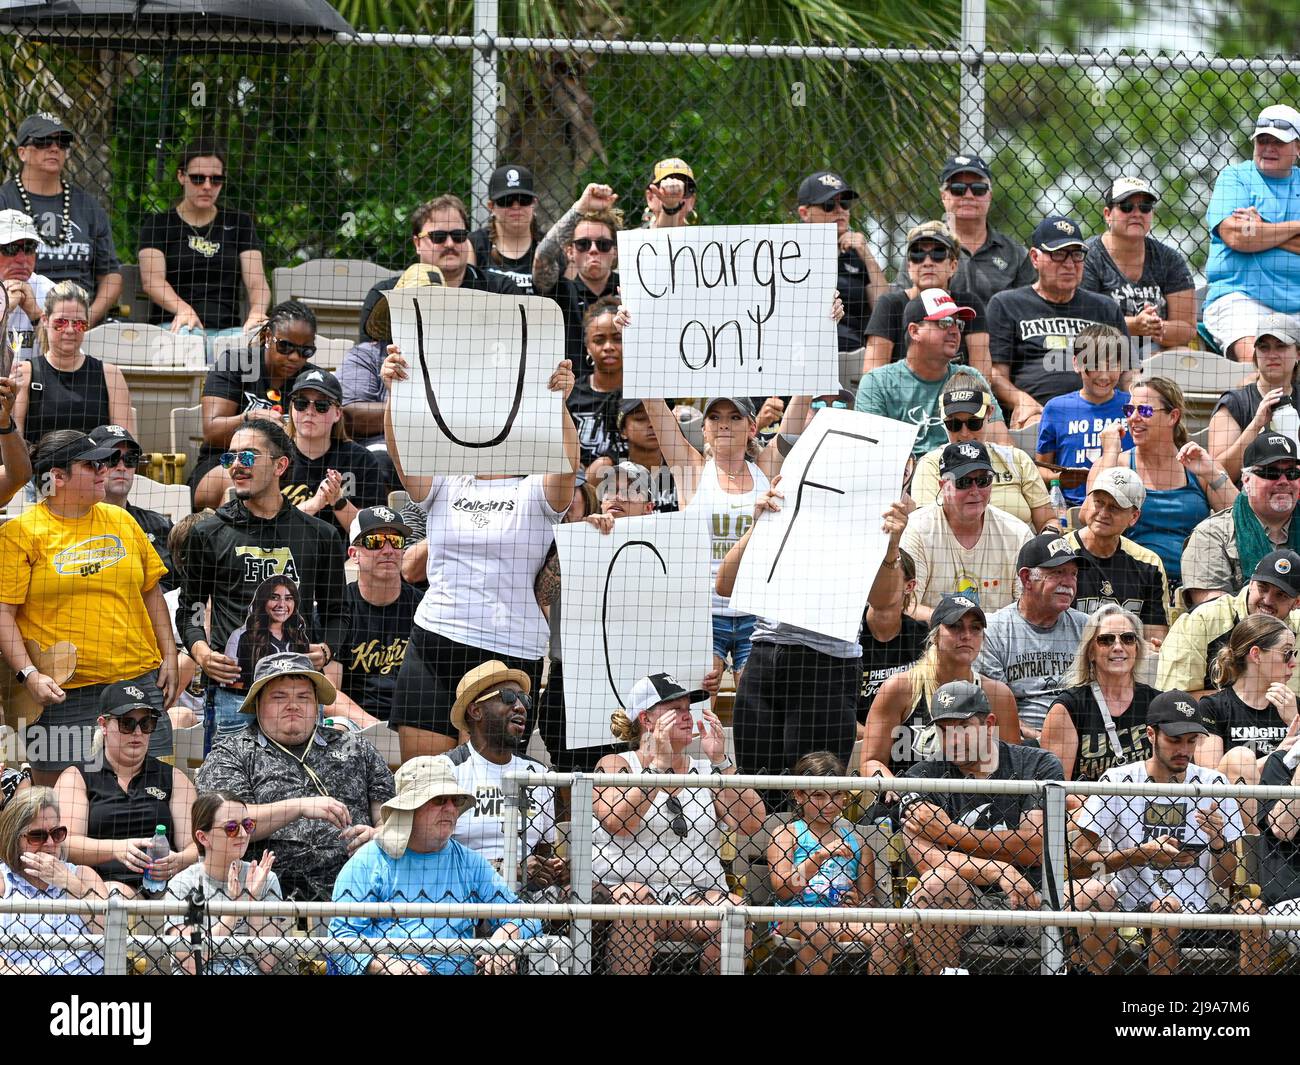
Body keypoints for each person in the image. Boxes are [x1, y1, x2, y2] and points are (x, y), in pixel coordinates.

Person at [380, 346, 578, 761]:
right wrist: (395, 391)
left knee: (490, 794)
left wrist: (559, 404)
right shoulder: (445, 481)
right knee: (426, 784)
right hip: (435, 640)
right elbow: (401, 457)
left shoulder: (536, 491)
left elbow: (566, 462)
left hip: (509, 652)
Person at [0, 431, 177, 780]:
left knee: (153, 798)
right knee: (58, 811)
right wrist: (29, 675)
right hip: (61, 694)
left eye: (106, 462)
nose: (104, 471)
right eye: (92, 464)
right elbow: (3, 615)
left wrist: (169, 654)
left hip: (136, 683)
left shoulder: (123, 521)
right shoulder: (20, 533)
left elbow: (151, 592)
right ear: (56, 478)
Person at [714, 477, 901, 777]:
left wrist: (892, 546)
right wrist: (757, 526)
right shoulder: (782, 515)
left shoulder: (866, 518)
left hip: (828, 665)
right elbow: (724, 585)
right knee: (758, 790)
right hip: (764, 662)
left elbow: (883, 600)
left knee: (816, 795)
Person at [1070, 691, 1264, 976]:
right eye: (1174, 740)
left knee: (1255, 909)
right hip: (1134, 909)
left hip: (1199, 911)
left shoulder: (1214, 784)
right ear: (1151, 734)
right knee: (1165, 906)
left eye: (1191, 740)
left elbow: (1224, 880)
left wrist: (1219, 842)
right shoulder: (1119, 780)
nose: (1184, 749)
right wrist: (1140, 855)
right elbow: (1077, 862)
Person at [176, 418, 347, 739]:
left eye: (249, 456)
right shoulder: (207, 533)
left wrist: (327, 649)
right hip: (232, 699)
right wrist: (200, 652)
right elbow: (190, 610)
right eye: (230, 458)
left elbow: (338, 612)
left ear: (280, 465)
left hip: (298, 695)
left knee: (298, 786)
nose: (237, 465)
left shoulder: (319, 535)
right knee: (229, 790)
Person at [593, 673, 764, 975]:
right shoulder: (616, 764)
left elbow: (751, 823)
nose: (688, 717)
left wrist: (722, 760)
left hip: (693, 897)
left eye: (689, 709)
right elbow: (616, 821)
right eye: (676, 710)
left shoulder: (707, 772)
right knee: (637, 900)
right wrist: (658, 767)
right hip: (624, 894)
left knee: (734, 911)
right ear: (646, 720)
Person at [196, 652, 394, 901]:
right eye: (279, 697)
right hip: (265, 893)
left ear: (317, 705)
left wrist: (378, 835)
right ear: (257, 704)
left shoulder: (355, 747)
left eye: (304, 697)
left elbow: (389, 819)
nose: (293, 705)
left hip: (360, 887)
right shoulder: (231, 753)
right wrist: (300, 807)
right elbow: (229, 825)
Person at [898, 680, 1061, 976]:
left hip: (1036, 893)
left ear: (989, 724)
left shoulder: (1036, 764)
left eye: (962, 728)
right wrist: (1000, 870)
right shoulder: (920, 776)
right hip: (965, 899)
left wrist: (951, 834)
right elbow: (930, 860)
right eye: (944, 730)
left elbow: (1035, 847)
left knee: (1098, 891)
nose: (953, 740)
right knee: (937, 883)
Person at [329, 755, 539, 975]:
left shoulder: (469, 863)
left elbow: (527, 919)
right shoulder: (368, 862)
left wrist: (509, 932)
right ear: (409, 809)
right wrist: (385, 965)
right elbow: (341, 938)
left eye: (455, 800)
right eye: (439, 800)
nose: (450, 808)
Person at [1090, 376, 1236, 586]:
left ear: (1172, 416)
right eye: (1129, 411)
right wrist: (1111, 452)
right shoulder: (1118, 464)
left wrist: (1212, 472)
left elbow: (1243, 520)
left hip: (1196, 582)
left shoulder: (1197, 465)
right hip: (1132, 581)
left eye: (1145, 411)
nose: (1134, 418)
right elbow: (1088, 515)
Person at [202, 366, 386, 534]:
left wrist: (338, 502)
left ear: (338, 413)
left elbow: (373, 534)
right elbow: (259, 525)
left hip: (344, 559)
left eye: (321, 406)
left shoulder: (362, 460)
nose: (310, 411)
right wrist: (314, 504)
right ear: (291, 409)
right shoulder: (272, 455)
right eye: (301, 403)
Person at [55, 682, 196, 892]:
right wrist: (117, 849)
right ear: (103, 725)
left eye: (147, 723)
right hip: (99, 886)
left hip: (164, 887)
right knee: (116, 893)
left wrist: (180, 860)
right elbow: (65, 844)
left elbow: (196, 844)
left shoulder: (174, 778)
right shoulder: (77, 777)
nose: (137, 732)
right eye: (127, 724)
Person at [861, 593, 1021, 779]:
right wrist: (904, 799)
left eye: (975, 628)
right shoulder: (900, 688)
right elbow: (871, 762)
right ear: (935, 635)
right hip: (910, 801)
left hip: (978, 803)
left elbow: (1013, 767)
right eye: (955, 626)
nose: (967, 635)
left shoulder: (997, 694)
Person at [987, 214, 1129, 422]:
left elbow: (1128, 371)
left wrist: (1138, 395)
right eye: (1059, 254)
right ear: (1035, 258)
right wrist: (1020, 399)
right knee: (1031, 421)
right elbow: (996, 374)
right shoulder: (1006, 304)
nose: (1069, 264)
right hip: (1039, 413)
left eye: (1076, 254)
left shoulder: (1105, 307)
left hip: (1102, 412)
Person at [768, 751, 896, 976]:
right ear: (799, 795)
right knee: (817, 926)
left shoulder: (858, 842)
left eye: (836, 795)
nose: (829, 804)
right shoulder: (787, 834)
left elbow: (868, 900)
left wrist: (859, 904)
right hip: (796, 915)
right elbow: (784, 890)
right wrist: (818, 857)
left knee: (891, 930)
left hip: (843, 918)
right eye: (818, 795)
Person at [189, 299, 322, 501]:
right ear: (268, 337)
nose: (295, 357)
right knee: (253, 481)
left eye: (305, 351)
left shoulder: (312, 380)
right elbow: (212, 431)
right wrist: (248, 418)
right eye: (285, 346)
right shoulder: (235, 364)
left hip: (290, 469)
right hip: (225, 462)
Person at [444, 661, 562, 891]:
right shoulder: (447, 770)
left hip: (525, 900)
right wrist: (505, 869)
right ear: (475, 710)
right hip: (462, 895)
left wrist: (553, 868)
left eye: (524, 700)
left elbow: (547, 849)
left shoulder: (538, 775)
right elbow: (432, 857)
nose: (520, 707)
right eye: (508, 697)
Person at [137, 138, 269, 338]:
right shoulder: (158, 225)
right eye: (198, 178)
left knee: (254, 342)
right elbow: (152, 281)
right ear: (181, 176)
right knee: (191, 339)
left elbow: (257, 281)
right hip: (177, 326)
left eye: (216, 179)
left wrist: (258, 312)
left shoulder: (240, 223)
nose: (207, 186)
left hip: (228, 330)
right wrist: (184, 309)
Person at [855, 288, 1008, 458]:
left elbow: (1003, 444)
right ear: (914, 331)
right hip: (903, 480)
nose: (954, 331)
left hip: (965, 478)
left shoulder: (970, 378)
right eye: (944, 322)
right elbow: (869, 455)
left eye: (957, 324)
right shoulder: (877, 382)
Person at [356, 194, 520, 350]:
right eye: (438, 236)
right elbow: (370, 360)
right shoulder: (384, 296)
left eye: (458, 235)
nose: (450, 243)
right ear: (417, 243)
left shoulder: (501, 291)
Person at [0, 113, 120, 324]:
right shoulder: (3, 200)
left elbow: (111, 276)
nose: (54, 148)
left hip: (79, 317)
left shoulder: (89, 206)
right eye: (43, 141)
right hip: (15, 312)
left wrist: (83, 320)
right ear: (22, 153)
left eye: (62, 142)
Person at [1202, 103, 1300, 361]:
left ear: (1298, 147)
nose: (1268, 148)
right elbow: (1237, 236)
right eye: (1262, 140)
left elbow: (1250, 235)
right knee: (1264, 361)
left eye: (1278, 142)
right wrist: (1296, 228)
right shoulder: (1236, 178)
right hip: (1241, 300)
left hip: (1298, 306)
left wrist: (1261, 230)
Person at [899, 440, 1034, 618]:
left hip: (1000, 641)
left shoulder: (1017, 532)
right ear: (943, 486)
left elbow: (1028, 606)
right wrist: (959, 627)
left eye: (983, 480)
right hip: (933, 639)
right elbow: (908, 605)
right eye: (963, 482)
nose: (975, 490)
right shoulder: (916, 529)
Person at [976, 532, 1090, 741]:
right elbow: (996, 707)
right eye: (1058, 573)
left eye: (1073, 574)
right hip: (1020, 741)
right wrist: (1040, 738)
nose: (1069, 582)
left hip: (1081, 735)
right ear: (1027, 578)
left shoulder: (1086, 627)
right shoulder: (994, 630)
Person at [910, 376, 1054, 528]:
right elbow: (925, 528)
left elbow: (1048, 521)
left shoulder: (1017, 459)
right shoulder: (930, 465)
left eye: (974, 422)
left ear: (990, 413)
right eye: (954, 424)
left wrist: (1049, 534)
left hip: (1021, 549)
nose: (964, 433)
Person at [165, 791, 283, 975]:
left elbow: (267, 962)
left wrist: (254, 897)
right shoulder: (183, 884)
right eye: (231, 828)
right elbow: (191, 963)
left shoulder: (265, 878)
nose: (243, 834)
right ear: (203, 837)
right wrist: (238, 906)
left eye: (247, 825)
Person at [1158, 549, 1300, 699]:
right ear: (1251, 582)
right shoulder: (1201, 621)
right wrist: (1247, 701)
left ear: (1297, 602)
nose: (1268, 600)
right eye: (1263, 587)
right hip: (1211, 720)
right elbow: (1172, 700)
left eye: (1281, 595)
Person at [1182, 432, 1300, 608]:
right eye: (1271, 472)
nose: (1283, 481)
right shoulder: (1210, 535)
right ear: (1246, 480)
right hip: (1241, 635)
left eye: (1291, 473)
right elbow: (1215, 617)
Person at [1041, 605, 1157, 781]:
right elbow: (1054, 790)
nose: (1118, 646)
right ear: (1091, 652)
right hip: (1087, 807)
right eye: (1106, 640)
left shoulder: (1157, 702)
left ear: (1137, 648)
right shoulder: (1067, 708)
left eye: (1128, 638)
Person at [11, 281, 134, 446]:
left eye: (78, 323)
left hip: (97, 469)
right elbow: (12, 447)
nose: (70, 330)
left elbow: (126, 447)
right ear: (45, 320)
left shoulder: (111, 376)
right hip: (39, 469)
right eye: (61, 322)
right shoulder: (24, 373)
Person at [862, 221, 990, 379]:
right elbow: (872, 373)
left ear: (953, 266)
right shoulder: (890, 305)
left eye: (938, 254)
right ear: (909, 267)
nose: (927, 262)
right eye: (917, 255)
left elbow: (983, 375)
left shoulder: (969, 304)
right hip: (901, 397)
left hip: (957, 397)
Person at [1081, 176, 1196, 351]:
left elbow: (1187, 328)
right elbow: (1082, 320)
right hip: (1104, 351)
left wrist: (1154, 327)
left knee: (1184, 354)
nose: (1136, 213)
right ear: (1107, 214)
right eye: (1126, 207)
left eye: (1145, 207)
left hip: (1157, 351)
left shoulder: (1169, 258)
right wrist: (1135, 325)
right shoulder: (1088, 255)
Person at [0, 788, 106, 975]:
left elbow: (114, 938)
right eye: (37, 836)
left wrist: (71, 884)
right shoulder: (2, 883)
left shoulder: (84, 877)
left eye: (57, 833)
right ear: (14, 839)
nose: (50, 843)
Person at [333, 507, 420, 722]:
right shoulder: (336, 608)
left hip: (414, 722)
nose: (388, 550)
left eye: (396, 541)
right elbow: (329, 693)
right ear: (354, 554)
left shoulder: (425, 608)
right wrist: (375, 728)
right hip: (354, 723)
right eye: (376, 541)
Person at [1064, 466, 1170, 642]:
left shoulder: (1149, 563)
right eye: (1098, 502)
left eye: (1114, 507)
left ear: (1134, 517)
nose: (1103, 513)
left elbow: (1155, 639)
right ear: (1087, 501)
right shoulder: (1060, 553)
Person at [1197, 615, 1296, 802]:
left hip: (1286, 812)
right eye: (1286, 653)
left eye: (1293, 654)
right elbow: (1210, 780)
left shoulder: (1294, 706)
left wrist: (1294, 722)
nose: (1293, 662)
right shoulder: (1212, 707)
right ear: (1256, 654)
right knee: (1240, 759)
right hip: (1234, 814)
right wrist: (1279, 754)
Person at [795, 169, 889, 365]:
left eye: (844, 203)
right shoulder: (791, 252)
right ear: (804, 213)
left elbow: (884, 308)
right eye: (829, 205)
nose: (840, 210)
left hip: (855, 351)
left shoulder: (857, 254)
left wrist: (867, 255)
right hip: (803, 350)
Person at [1036, 324, 1133, 505]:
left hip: (1126, 506)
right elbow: (1042, 469)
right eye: (1095, 365)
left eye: (1112, 365)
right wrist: (1058, 479)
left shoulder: (1133, 405)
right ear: (1077, 363)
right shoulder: (1056, 408)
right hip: (1071, 508)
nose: (1104, 376)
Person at [532, 183, 622, 371]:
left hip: (624, 394)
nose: (594, 250)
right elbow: (542, 258)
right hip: (574, 393)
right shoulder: (561, 292)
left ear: (615, 251)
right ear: (570, 252)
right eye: (583, 244)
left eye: (603, 244)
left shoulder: (629, 289)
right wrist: (580, 208)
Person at [931, 153, 1035, 306]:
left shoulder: (1016, 254)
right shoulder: (923, 248)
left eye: (978, 189)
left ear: (990, 196)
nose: (968, 195)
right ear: (943, 196)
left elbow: (1029, 310)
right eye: (958, 189)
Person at [1208, 319, 1300, 483]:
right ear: (1255, 353)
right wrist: (1255, 425)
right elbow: (1216, 478)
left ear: (1298, 353)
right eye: (1264, 347)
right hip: (1247, 502)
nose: (1272, 354)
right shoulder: (1234, 403)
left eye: (1281, 346)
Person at [89, 423, 174, 592]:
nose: (122, 467)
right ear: (91, 465)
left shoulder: (160, 525)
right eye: (111, 458)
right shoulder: (73, 525)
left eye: (130, 459)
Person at [586, 399, 679, 513]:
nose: (652, 424)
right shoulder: (603, 468)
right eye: (640, 418)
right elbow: (583, 516)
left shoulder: (683, 466)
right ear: (623, 431)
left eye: (658, 417)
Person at [224, 576, 312, 693]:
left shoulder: (300, 637)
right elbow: (234, 687)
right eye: (274, 597)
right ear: (263, 600)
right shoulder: (243, 637)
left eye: (288, 598)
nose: (282, 604)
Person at [567, 297, 625, 472]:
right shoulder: (571, 395)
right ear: (587, 347)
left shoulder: (645, 396)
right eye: (599, 340)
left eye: (618, 338)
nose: (609, 346)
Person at [468, 164, 540, 295]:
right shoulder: (475, 244)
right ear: (491, 206)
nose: (516, 206)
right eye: (506, 200)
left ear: (534, 203)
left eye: (523, 200)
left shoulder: (546, 245)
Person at [0, 208, 54, 357]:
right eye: (10, 249)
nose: (22, 260)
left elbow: (71, 362)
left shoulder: (50, 292)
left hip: (36, 380)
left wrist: (36, 314)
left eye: (29, 248)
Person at [642, 157, 698, 229]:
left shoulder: (705, 238)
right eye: (665, 188)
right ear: (650, 198)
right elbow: (663, 238)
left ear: (692, 201)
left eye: (684, 189)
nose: (675, 196)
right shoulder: (632, 238)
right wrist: (670, 206)